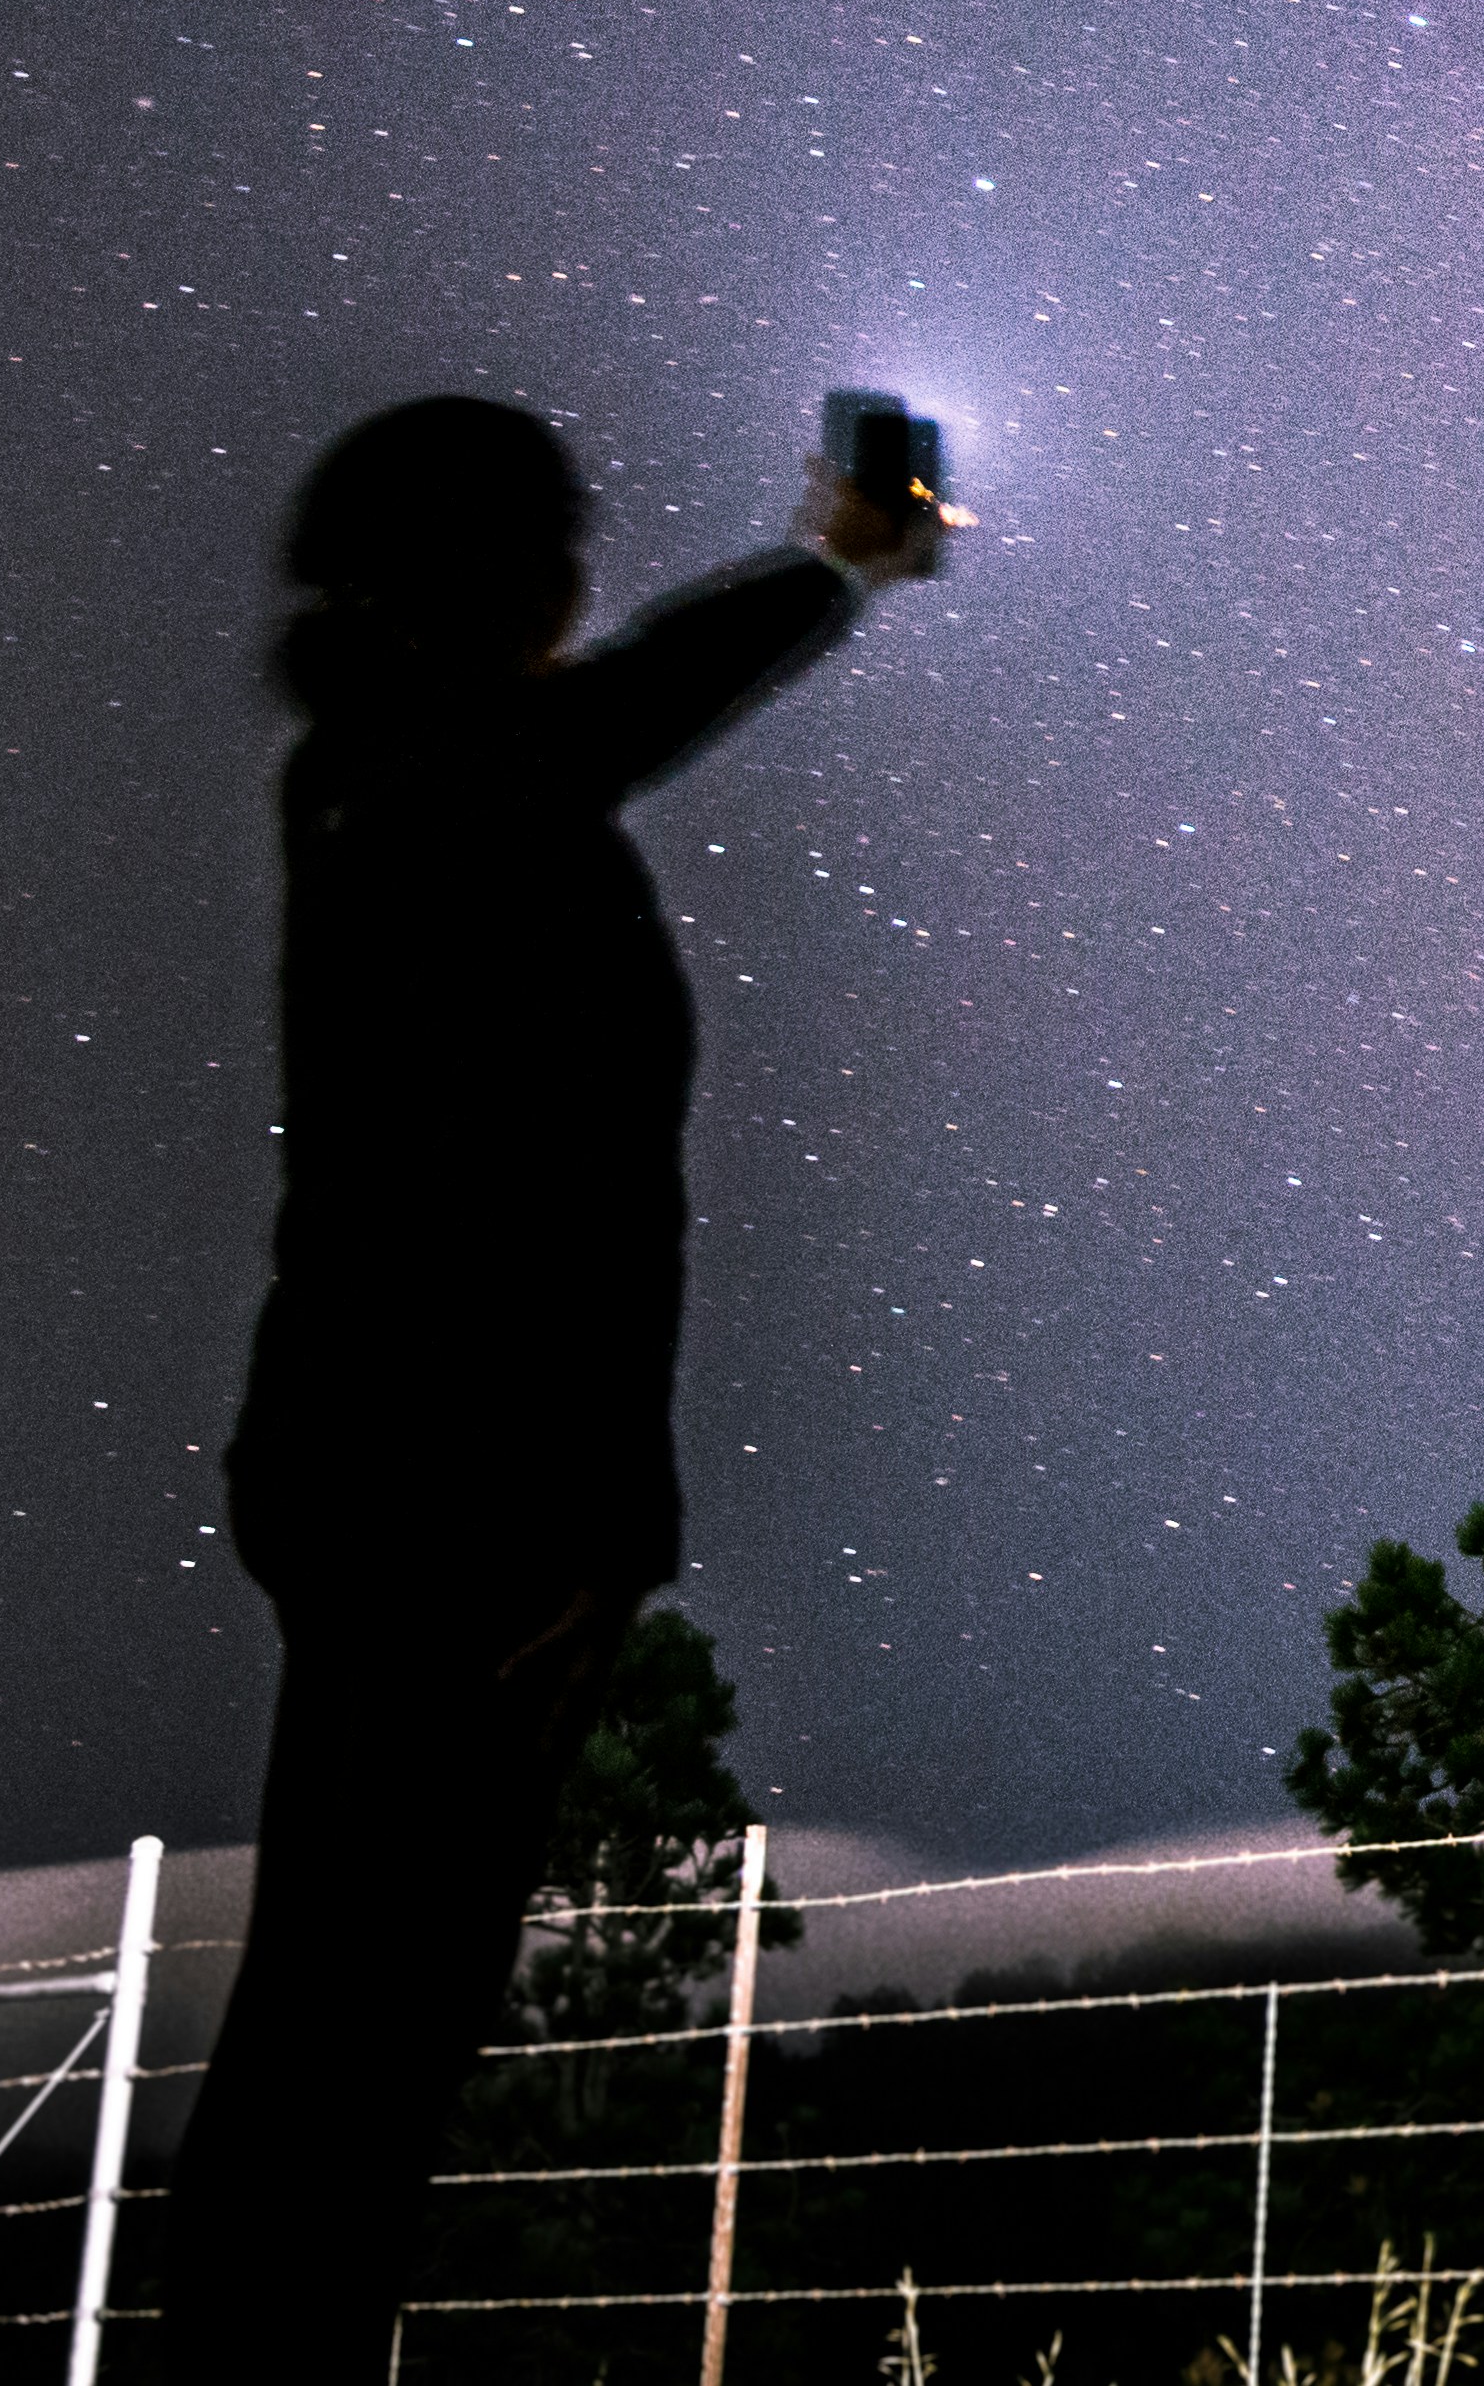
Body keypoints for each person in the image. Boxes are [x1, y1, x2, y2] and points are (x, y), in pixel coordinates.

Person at [174, 392, 943, 2386]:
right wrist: (833, 564)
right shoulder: (426, 775)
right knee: (363, 2040)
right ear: (487, 569)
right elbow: (599, 725)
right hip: (461, 1501)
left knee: (343, 2031)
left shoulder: (390, 777)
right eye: (557, 541)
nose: (587, 576)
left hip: (423, 1485)